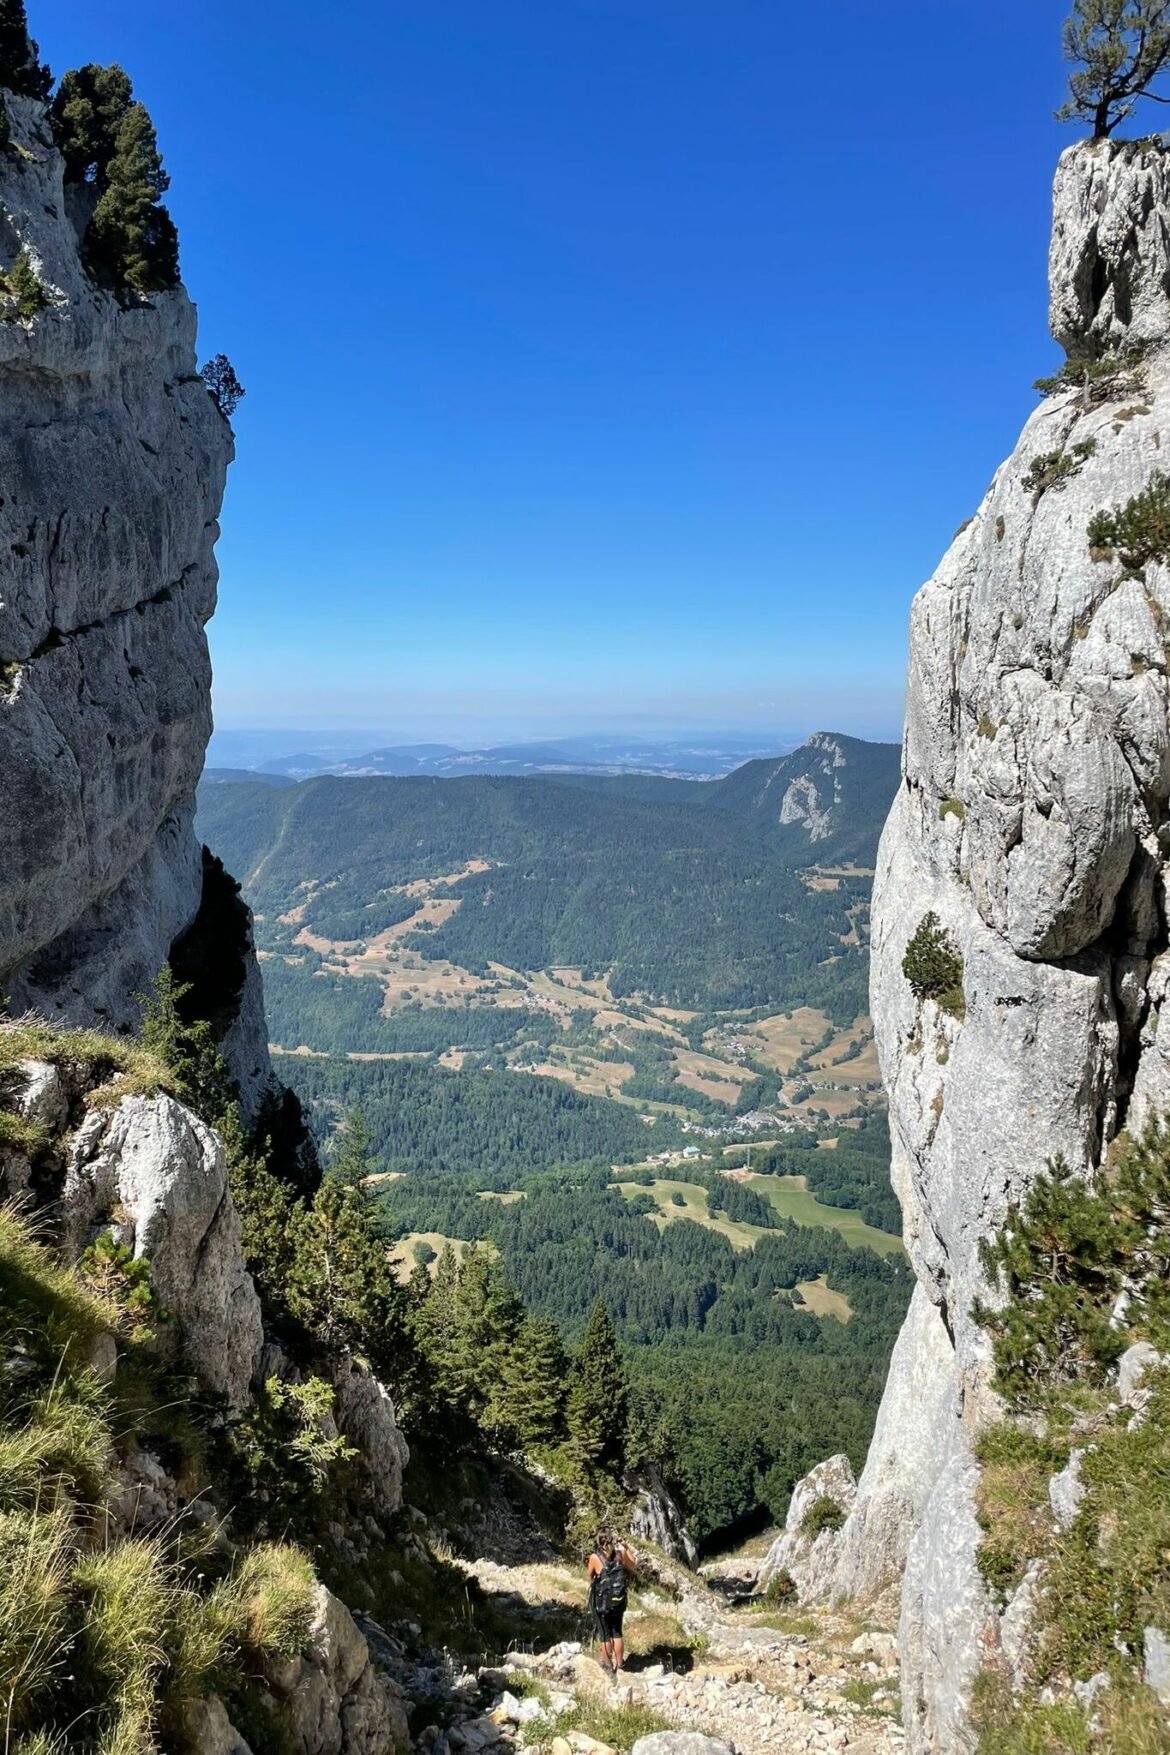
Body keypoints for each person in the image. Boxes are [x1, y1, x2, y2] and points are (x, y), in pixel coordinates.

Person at [586, 1528, 637, 1675]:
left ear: (599, 1542)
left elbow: (589, 1576)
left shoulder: (595, 1558)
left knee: (604, 1634)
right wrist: (625, 1547)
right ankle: (621, 1665)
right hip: (618, 1601)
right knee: (617, 1632)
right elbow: (633, 1564)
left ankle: (608, 1666)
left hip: (602, 1602)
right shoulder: (620, 1556)